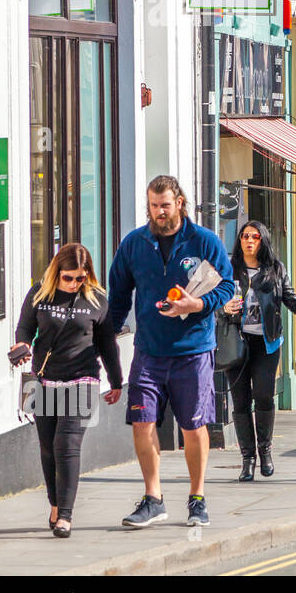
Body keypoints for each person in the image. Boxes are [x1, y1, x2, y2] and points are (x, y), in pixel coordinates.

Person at [109, 175, 235, 529]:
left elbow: (227, 286)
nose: (159, 212)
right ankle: (153, 498)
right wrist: (104, 343)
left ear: (179, 202)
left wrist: (197, 304)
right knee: (141, 421)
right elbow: (118, 298)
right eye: (153, 206)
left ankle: (197, 498)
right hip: (148, 350)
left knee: (194, 426)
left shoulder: (204, 241)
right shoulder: (135, 244)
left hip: (193, 351)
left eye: (165, 205)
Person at [13, 244, 122, 537]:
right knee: (47, 448)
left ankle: (65, 516)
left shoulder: (97, 299)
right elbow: (24, 329)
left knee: (67, 445)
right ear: (56, 273)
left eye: (80, 278)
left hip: (82, 378)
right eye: (68, 278)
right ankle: (54, 504)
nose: (74, 284)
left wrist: (117, 381)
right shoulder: (39, 294)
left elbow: (108, 344)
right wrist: (22, 346)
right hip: (42, 379)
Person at [222, 221, 296, 481]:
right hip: (236, 341)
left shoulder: (275, 269)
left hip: (267, 343)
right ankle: (247, 459)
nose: (249, 241)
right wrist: (223, 308)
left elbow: (290, 299)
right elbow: (211, 299)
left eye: (254, 237)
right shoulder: (228, 268)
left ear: (262, 240)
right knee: (241, 400)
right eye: (245, 236)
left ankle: (265, 451)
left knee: (264, 396)